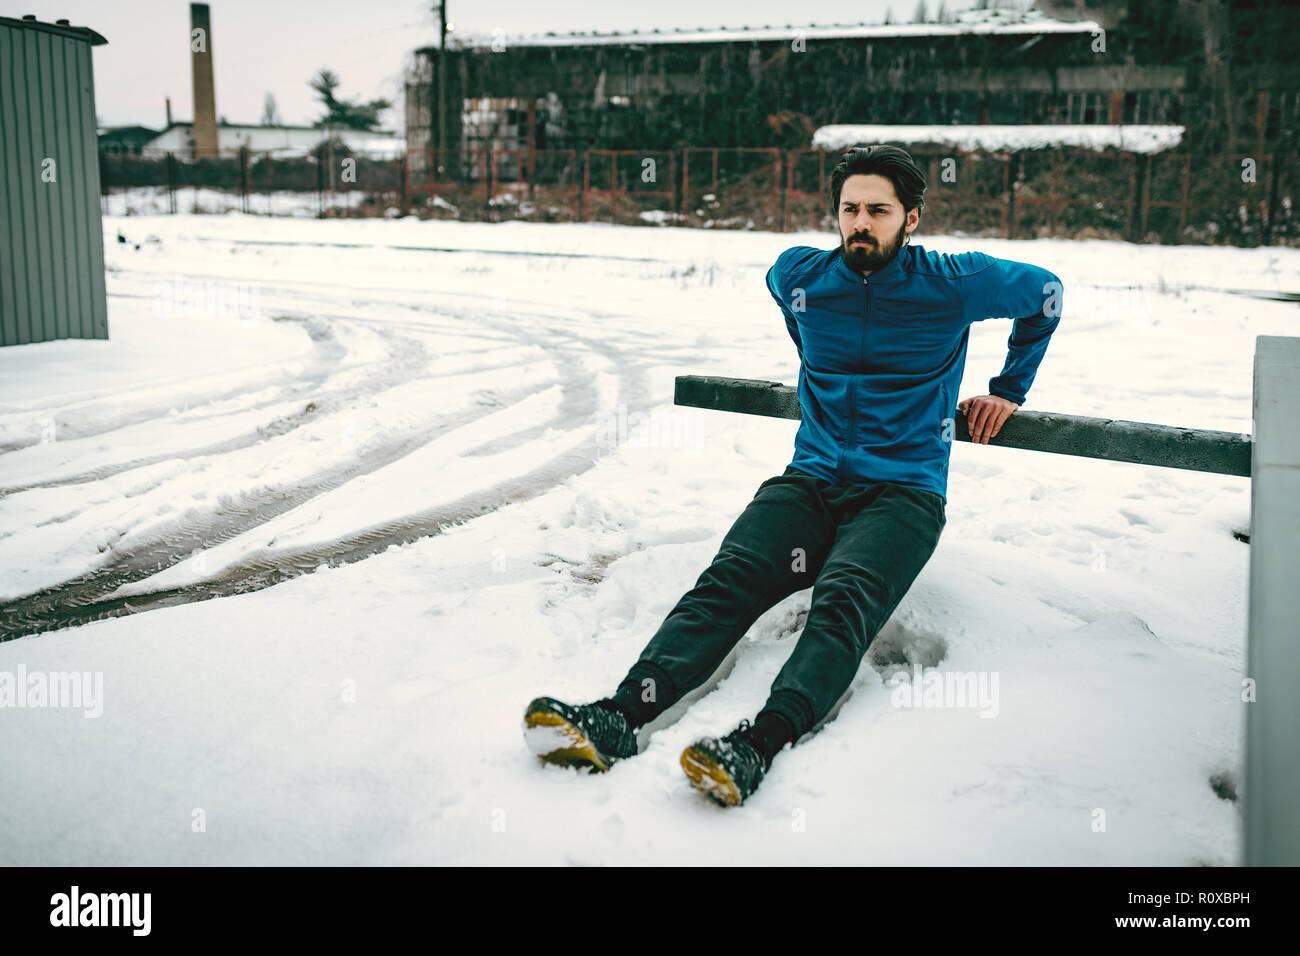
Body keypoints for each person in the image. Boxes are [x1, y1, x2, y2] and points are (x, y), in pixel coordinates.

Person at [522, 144, 1063, 807]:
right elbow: (792, 308)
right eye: (850, 209)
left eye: (878, 211)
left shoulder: (955, 282)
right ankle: (617, 717)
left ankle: (758, 745)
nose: (860, 223)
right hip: (809, 479)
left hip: (904, 492)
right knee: (726, 583)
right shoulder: (799, 273)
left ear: (912, 218)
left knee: (842, 602)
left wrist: (1008, 390)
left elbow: (1046, 294)